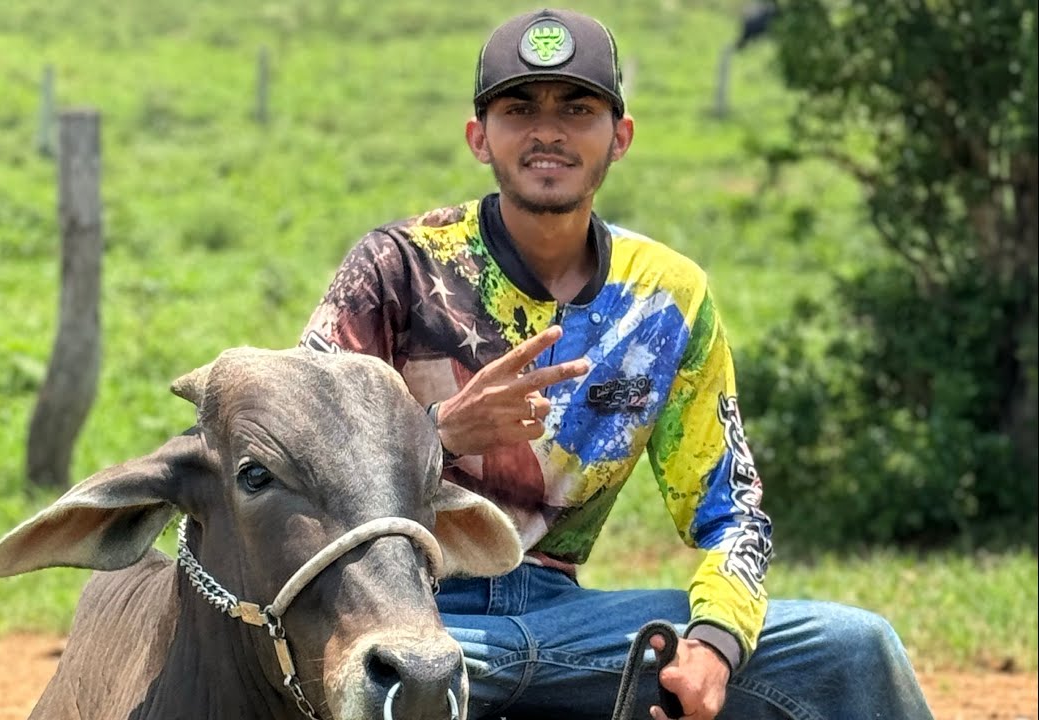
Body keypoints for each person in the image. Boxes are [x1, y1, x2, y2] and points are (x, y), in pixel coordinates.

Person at [300, 8, 934, 719]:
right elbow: (300, 460)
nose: (549, 131)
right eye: (519, 108)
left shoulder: (666, 298)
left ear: (619, 137)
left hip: (574, 625)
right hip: (408, 616)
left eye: (578, 108)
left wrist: (716, 643)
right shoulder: (397, 267)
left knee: (856, 647)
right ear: (480, 137)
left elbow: (735, 516)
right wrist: (439, 433)